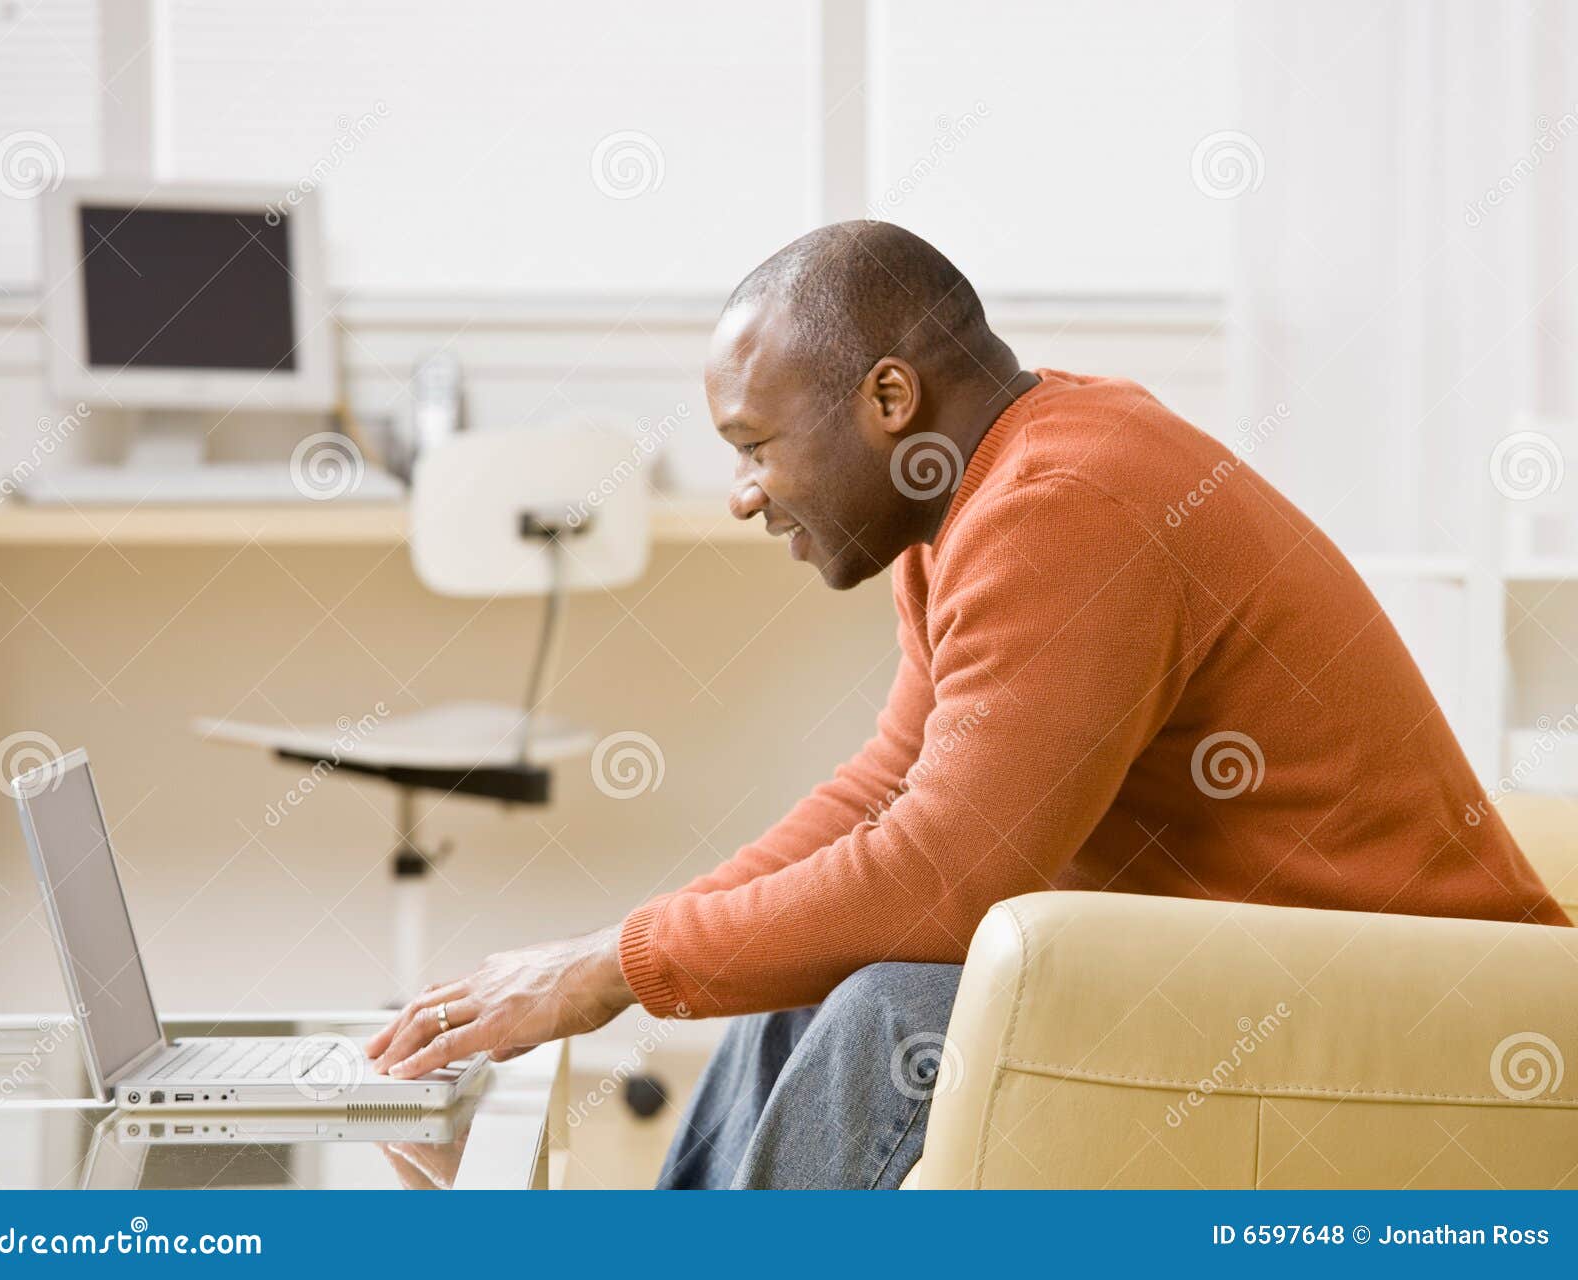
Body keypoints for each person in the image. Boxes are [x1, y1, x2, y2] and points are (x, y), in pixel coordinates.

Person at [364, 221, 1568, 1189]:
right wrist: (637, 939)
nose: (741, 494)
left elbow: (945, 878)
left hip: (1436, 1012)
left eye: (755, 446)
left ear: (889, 397)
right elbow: (886, 791)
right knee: (799, 980)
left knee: (897, 1003)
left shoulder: (1067, 499)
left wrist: (610, 970)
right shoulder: (981, 492)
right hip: (1297, 974)